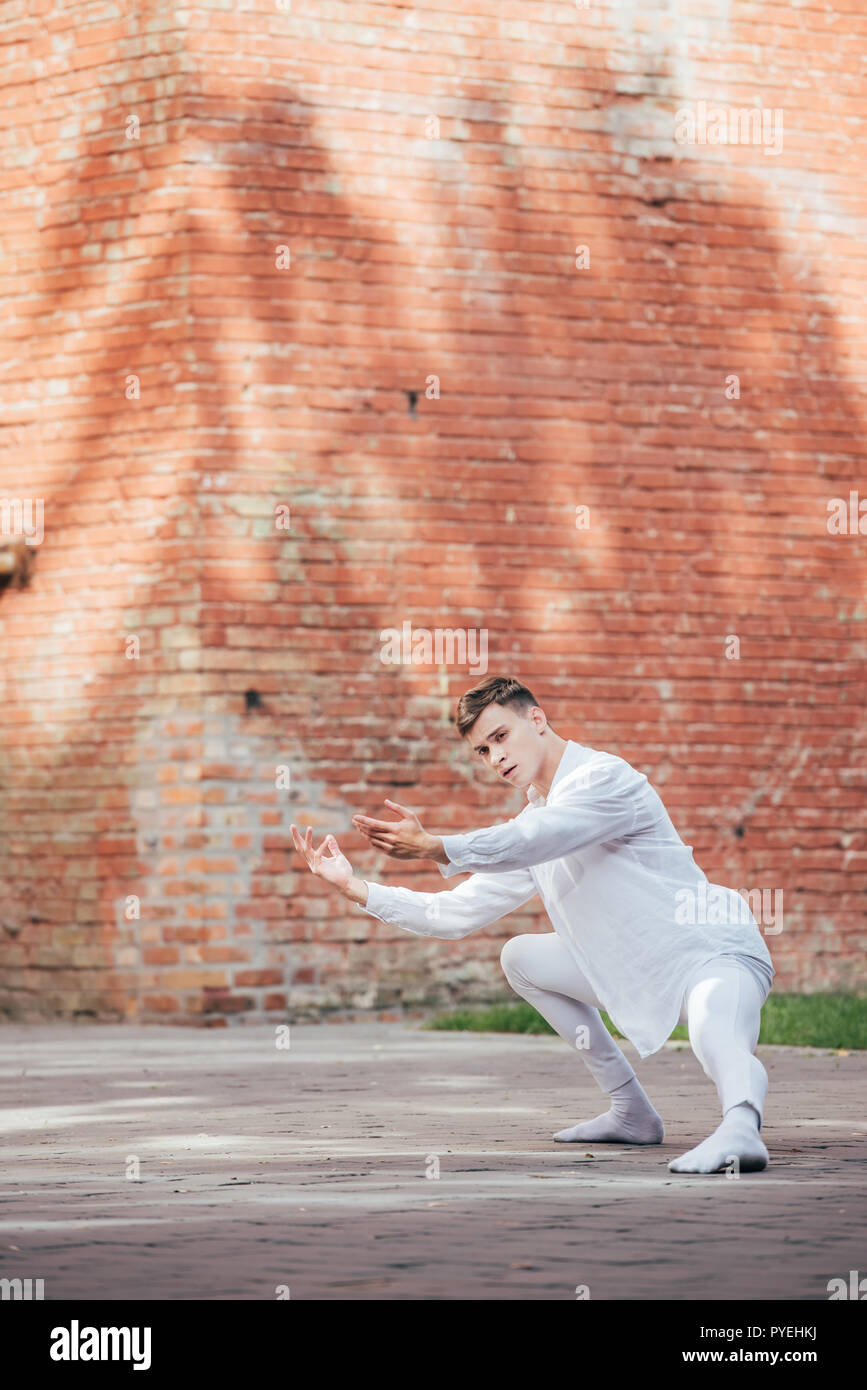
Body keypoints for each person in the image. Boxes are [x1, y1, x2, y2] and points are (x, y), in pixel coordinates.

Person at [290, 675, 775, 1175]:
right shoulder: (533, 822)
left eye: (500, 737)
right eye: (481, 750)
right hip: (636, 967)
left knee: (715, 1032)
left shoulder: (604, 780)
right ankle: (631, 1112)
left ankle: (741, 1127)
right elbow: (458, 912)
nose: (494, 758)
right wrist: (355, 888)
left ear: (537, 720)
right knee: (521, 958)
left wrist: (438, 846)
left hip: (713, 953)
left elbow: (541, 837)